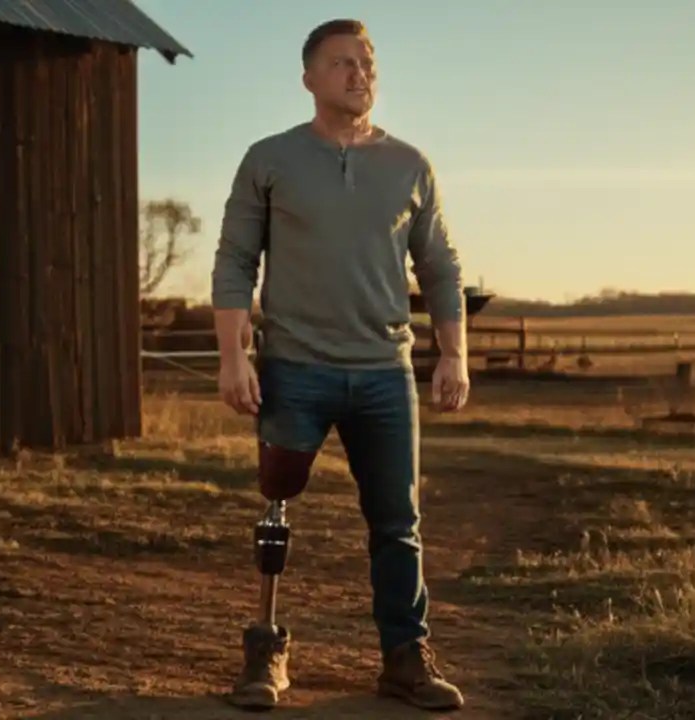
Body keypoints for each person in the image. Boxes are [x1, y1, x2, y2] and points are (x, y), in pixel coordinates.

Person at [210, 17, 469, 712]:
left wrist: (454, 352)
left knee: (397, 522)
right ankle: (265, 652)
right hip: (295, 367)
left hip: (385, 372)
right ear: (309, 78)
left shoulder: (410, 165)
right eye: (342, 62)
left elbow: (440, 267)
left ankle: (405, 658)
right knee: (276, 506)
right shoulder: (270, 159)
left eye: (367, 62)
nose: (360, 73)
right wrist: (233, 356)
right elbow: (235, 260)